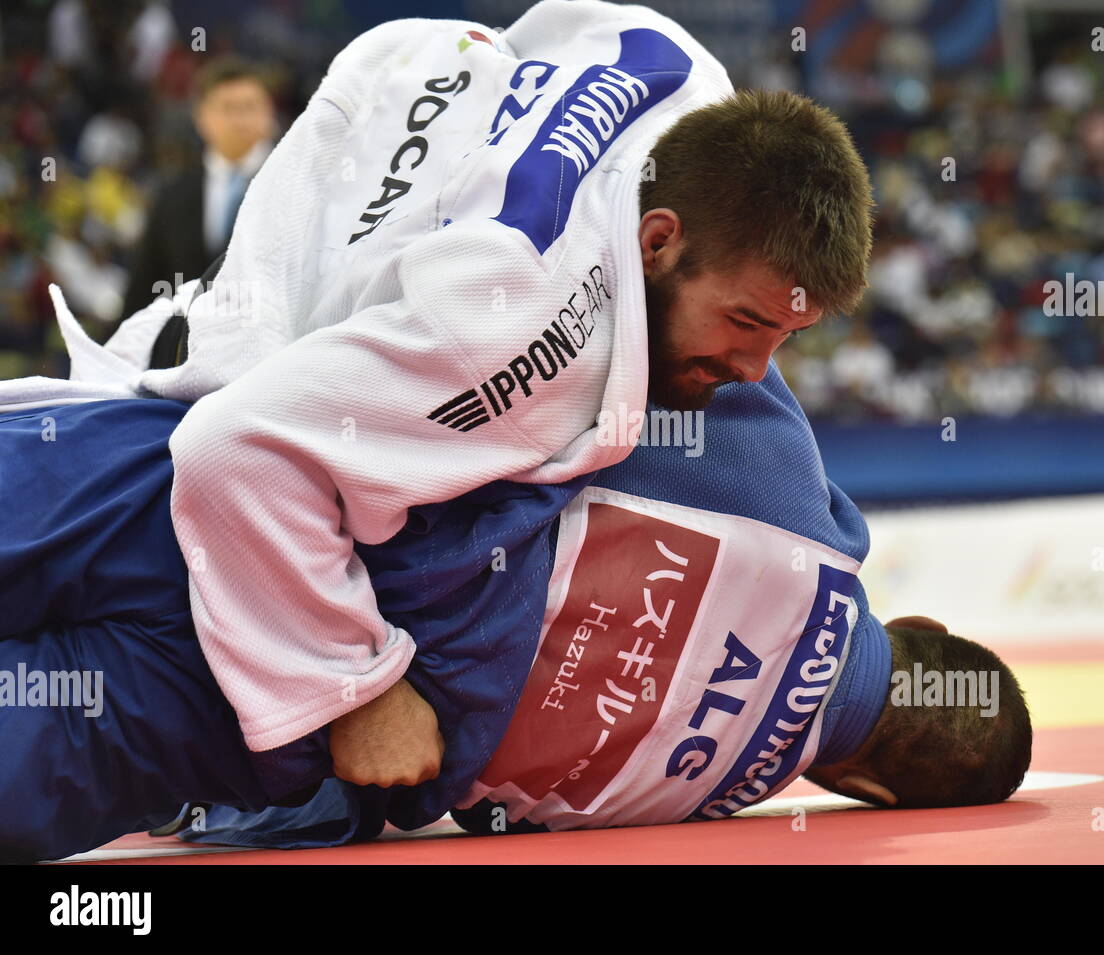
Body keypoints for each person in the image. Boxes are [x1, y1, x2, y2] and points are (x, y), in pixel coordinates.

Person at [0, 0, 876, 793]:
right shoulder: (529, 346)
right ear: (658, 240)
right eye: (745, 321)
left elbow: (531, 39)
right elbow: (229, 449)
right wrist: (355, 688)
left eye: (786, 336)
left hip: (411, 79)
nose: (759, 369)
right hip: (263, 309)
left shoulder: (683, 72)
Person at [0, 361, 1031, 861]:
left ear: (921, 630)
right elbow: (408, 797)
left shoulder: (778, 461)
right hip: (224, 723)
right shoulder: (666, 810)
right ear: (862, 786)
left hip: (211, 506)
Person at [116, 57, 276, 325]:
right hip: (188, 351)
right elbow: (142, 288)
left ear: (269, 112)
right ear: (201, 117)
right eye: (227, 108)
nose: (240, 119)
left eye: (250, 107)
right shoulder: (171, 196)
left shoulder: (298, 184)